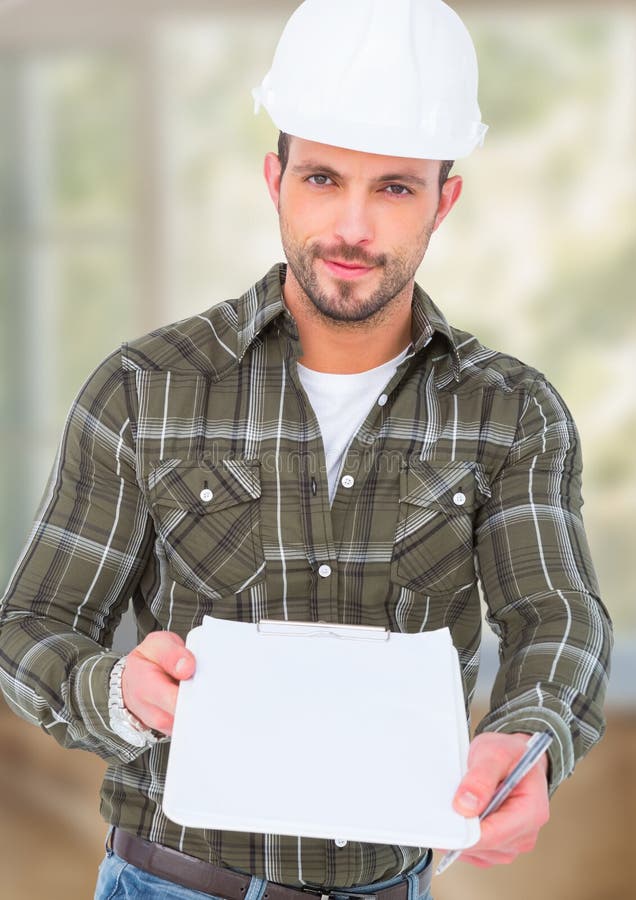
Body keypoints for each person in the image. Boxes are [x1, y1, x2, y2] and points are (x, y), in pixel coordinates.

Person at [0, 1, 612, 899]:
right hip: (168, 884)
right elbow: (29, 630)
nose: (353, 228)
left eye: (394, 187)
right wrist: (118, 690)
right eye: (323, 179)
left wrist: (533, 737)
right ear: (274, 179)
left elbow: (557, 618)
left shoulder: (511, 413)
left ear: (445, 200)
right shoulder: (142, 387)